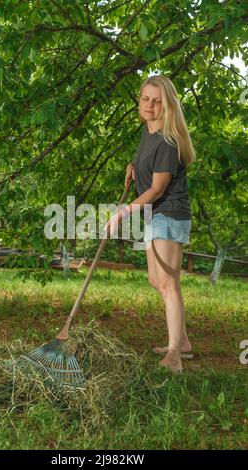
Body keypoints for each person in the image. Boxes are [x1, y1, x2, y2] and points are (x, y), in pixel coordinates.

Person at [105, 75, 195, 373]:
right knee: (156, 280)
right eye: (146, 99)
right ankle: (181, 341)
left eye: (157, 101)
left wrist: (121, 213)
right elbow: (147, 163)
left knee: (168, 283)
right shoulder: (149, 132)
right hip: (156, 215)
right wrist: (134, 166)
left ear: (167, 105)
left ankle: (174, 355)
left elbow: (157, 189)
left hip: (168, 213)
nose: (150, 105)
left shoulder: (168, 140)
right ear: (139, 100)